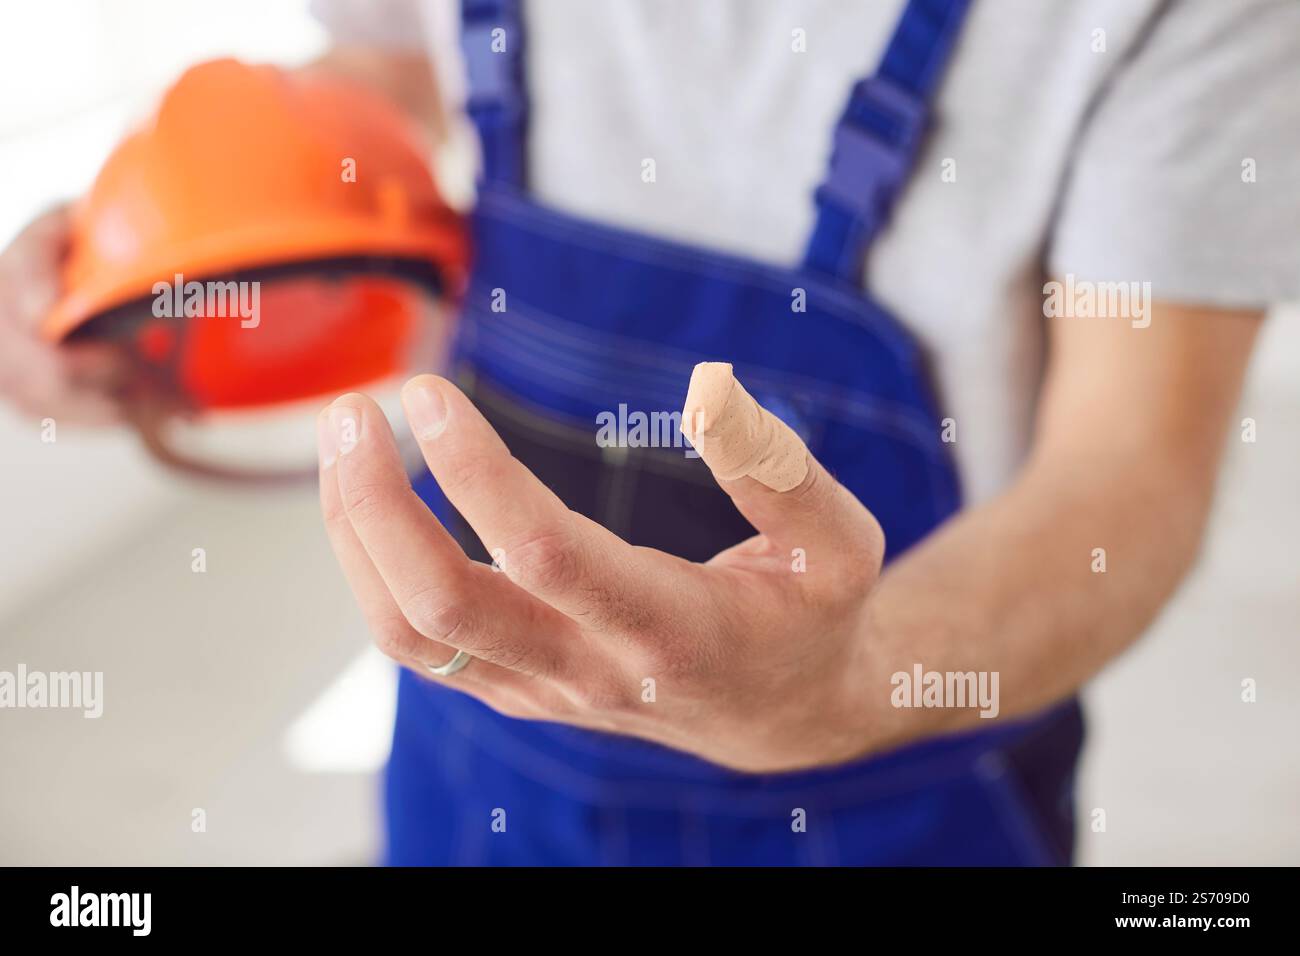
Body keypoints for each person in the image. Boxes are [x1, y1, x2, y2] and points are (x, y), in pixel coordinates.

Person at [4, 0, 1297, 865]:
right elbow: (393, 75)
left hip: (890, 790)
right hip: (474, 768)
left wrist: (838, 684)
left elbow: (1127, 474)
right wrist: (154, 243)